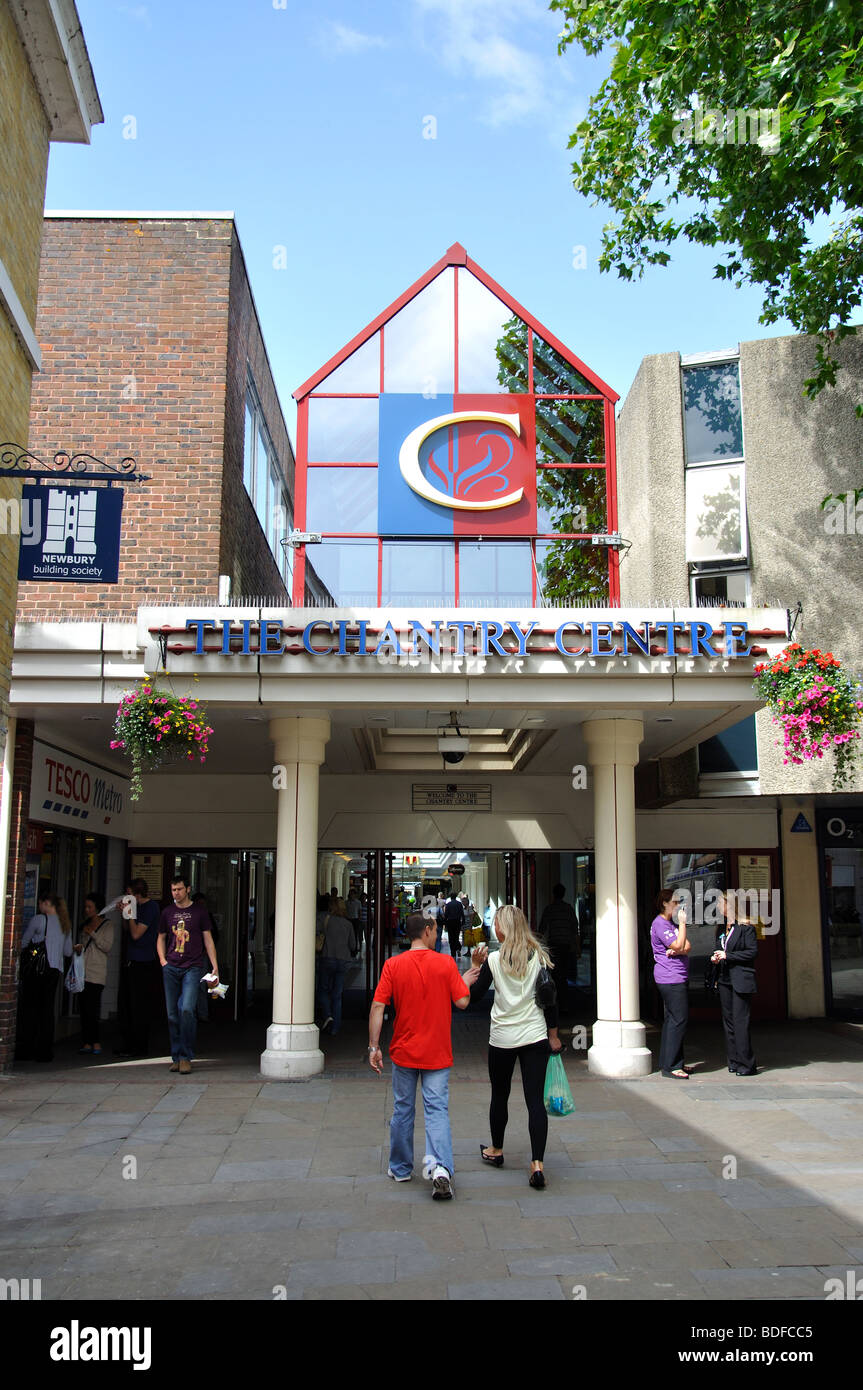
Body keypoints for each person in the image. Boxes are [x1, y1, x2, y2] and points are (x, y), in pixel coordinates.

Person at [368, 912, 480, 1199]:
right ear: (428, 931)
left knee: (403, 1110)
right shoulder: (444, 963)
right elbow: (463, 1002)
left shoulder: (393, 965)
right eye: (434, 928)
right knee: (436, 1110)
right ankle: (440, 1168)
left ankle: (401, 1168)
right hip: (437, 1052)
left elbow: (378, 1007)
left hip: (404, 1052)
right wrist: (465, 979)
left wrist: (374, 1046)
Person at [468, 905, 562, 1189]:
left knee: (500, 1095)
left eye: (497, 923)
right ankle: (536, 1164)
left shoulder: (494, 960)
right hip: (534, 1036)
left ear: (504, 928)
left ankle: (496, 1149)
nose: (494, 927)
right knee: (535, 1101)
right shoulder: (540, 958)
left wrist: (474, 966)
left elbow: (473, 997)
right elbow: (551, 1000)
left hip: (502, 1038)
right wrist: (553, 1035)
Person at [157, 876, 219, 1074]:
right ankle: (176, 1056)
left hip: (193, 966)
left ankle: (186, 1056)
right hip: (171, 966)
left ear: (188, 889)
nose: (176, 893)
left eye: (179, 889)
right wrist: (163, 961)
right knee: (172, 1014)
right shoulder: (167, 912)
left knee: (186, 1009)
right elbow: (161, 938)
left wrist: (214, 966)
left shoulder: (199, 912)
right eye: (173, 889)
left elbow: (208, 939)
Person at [17, 893, 74, 1063]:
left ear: (46, 903)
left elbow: (23, 942)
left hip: (37, 970)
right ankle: (45, 1051)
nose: (39, 906)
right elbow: (68, 952)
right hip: (54, 970)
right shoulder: (65, 924)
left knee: (30, 1009)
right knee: (47, 1010)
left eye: (40, 903)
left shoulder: (39, 920)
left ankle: (26, 1048)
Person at [711, 891, 758, 1076]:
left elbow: (752, 952)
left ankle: (747, 1064)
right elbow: (719, 947)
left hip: (741, 979)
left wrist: (728, 956)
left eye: (720, 903)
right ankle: (733, 1061)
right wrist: (716, 956)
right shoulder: (722, 927)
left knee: (740, 1022)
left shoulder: (746, 926)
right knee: (729, 1022)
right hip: (724, 979)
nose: (717, 907)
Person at [116, 878, 163, 1057]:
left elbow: (136, 933)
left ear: (137, 894)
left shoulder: (150, 908)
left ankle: (139, 1045)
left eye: (129, 893)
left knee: (139, 1006)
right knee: (126, 1004)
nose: (127, 897)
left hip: (144, 961)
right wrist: (125, 914)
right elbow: (127, 929)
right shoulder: (135, 907)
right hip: (131, 960)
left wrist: (130, 913)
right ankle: (127, 1042)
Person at [650, 888, 691, 1079]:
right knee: (678, 1019)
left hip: (676, 975)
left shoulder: (669, 924)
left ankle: (671, 1062)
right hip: (670, 977)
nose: (677, 905)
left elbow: (687, 946)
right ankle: (672, 1065)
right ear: (665, 903)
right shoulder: (661, 924)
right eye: (674, 901)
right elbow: (679, 945)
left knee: (672, 1020)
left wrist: (680, 947)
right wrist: (682, 925)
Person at [75, 892, 114, 1056]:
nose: (87, 910)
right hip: (83, 971)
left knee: (92, 1008)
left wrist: (92, 933)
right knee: (83, 1008)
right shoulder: (84, 924)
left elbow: (106, 946)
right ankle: (86, 1041)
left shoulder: (107, 925)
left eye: (90, 907)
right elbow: (84, 945)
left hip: (96, 972)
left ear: (97, 908)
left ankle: (95, 1041)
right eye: (85, 907)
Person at [538, 884, 581, 1015]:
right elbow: (575, 928)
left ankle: (554, 1002)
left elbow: (542, 928)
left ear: (553, 894)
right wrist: (576, 947)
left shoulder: (550, 909)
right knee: (564, 975)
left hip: (554, 946)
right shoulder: (568, 909)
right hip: (566, 946)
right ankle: (565, 1003)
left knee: (555, 975)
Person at [317, 897, 357, 1036]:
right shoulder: (348, 924)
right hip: (343, 960)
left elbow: (315, 932)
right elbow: (353, 945)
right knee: (337, 995)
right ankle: (335, 1028)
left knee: (322, 991)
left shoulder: (325, 920)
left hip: (327, 958)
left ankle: (327, 1015)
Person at [443, 890, 466, 960]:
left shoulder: (448, 904)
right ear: (456, 896)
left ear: (450, 896)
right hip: (457, 922)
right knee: (456, 936)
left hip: (450, 922)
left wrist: (445, 923)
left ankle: (453, 953)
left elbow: (446, 915)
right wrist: (463, 921)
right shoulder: (459, 904)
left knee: (451, 937)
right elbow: (462, 913)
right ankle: (458, 948)